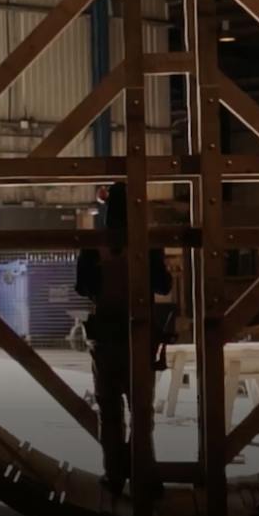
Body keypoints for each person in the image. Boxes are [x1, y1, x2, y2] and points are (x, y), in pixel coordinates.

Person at [75, 182, 171, 497]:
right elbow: (163, 285)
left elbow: (84, 287)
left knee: (109, 410)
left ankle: (114, 476)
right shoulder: (149, 243)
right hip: (140, 335)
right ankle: (146, 477)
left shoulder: (94, 244)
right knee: (142, 412)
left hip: (104, 336)